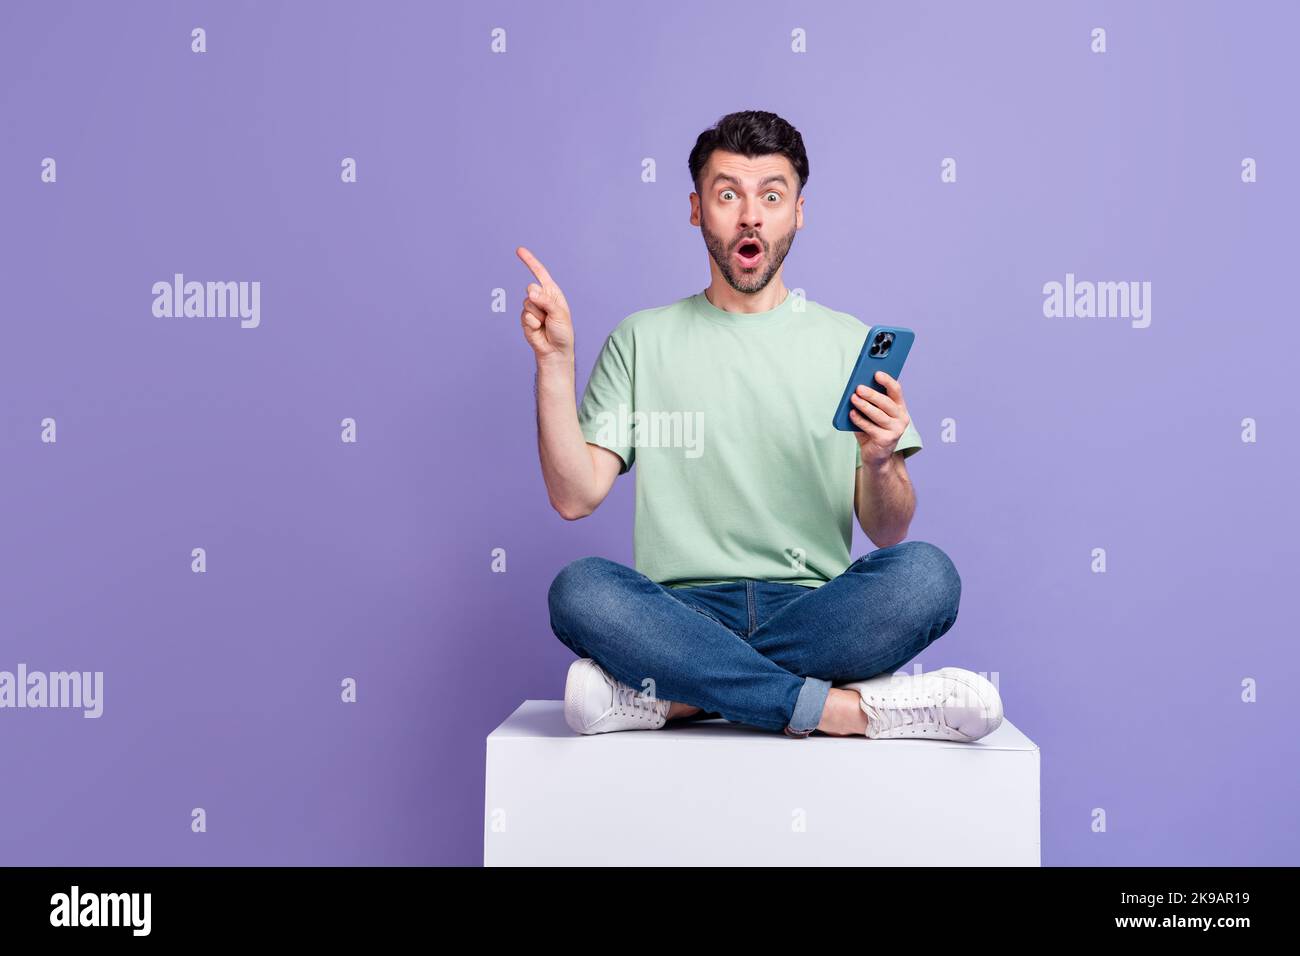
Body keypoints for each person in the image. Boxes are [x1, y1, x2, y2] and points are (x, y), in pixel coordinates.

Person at [518, 110, 1002, 742]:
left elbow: (889, 531)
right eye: (728, 195)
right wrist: (555, 363)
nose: (751, 215)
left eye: (772, 196)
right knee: (579, 590)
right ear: (697, 210)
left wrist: (882, 460)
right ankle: (844, 713)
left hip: (817, 611)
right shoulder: (640, 339)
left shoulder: (848, 343)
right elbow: (574, 496)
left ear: (798, 211)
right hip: (679, 614)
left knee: (927, 577)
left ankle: (681, 699)